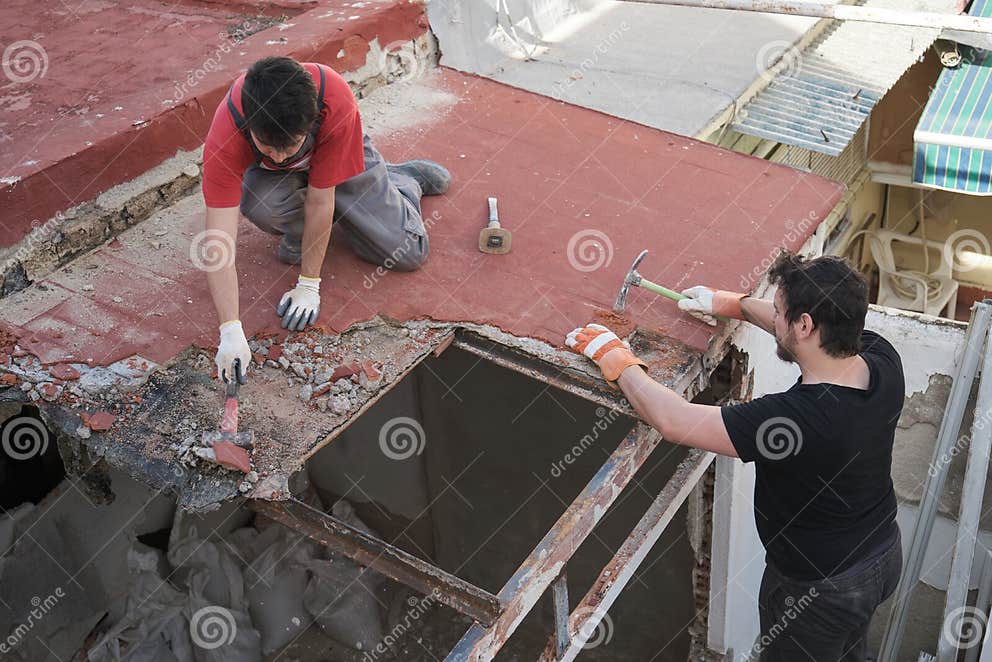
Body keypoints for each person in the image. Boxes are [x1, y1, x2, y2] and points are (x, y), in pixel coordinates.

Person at [567, 251, 904, 662]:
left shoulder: (795, 420)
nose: (773, 317)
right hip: (881, 555)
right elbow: (797, 330)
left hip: (820, 592)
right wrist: (731, 304)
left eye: (779, 312)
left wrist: (617, 361)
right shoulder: (882, 360)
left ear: (804, 325)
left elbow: (675, 421)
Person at [201, 56, 450, 382]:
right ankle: (308, 228)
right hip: (282, 179)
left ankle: (401, 180)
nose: (278, 156)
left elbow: (321, 200)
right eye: (268, 147)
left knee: (407, 251)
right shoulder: (227, 132)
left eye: (289, 145)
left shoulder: (333, 98)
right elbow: (219, 240)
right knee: (263, 204)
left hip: (336, 157)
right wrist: (230, 328)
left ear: (311, 121)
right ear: (250, 125)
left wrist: (308, 284)